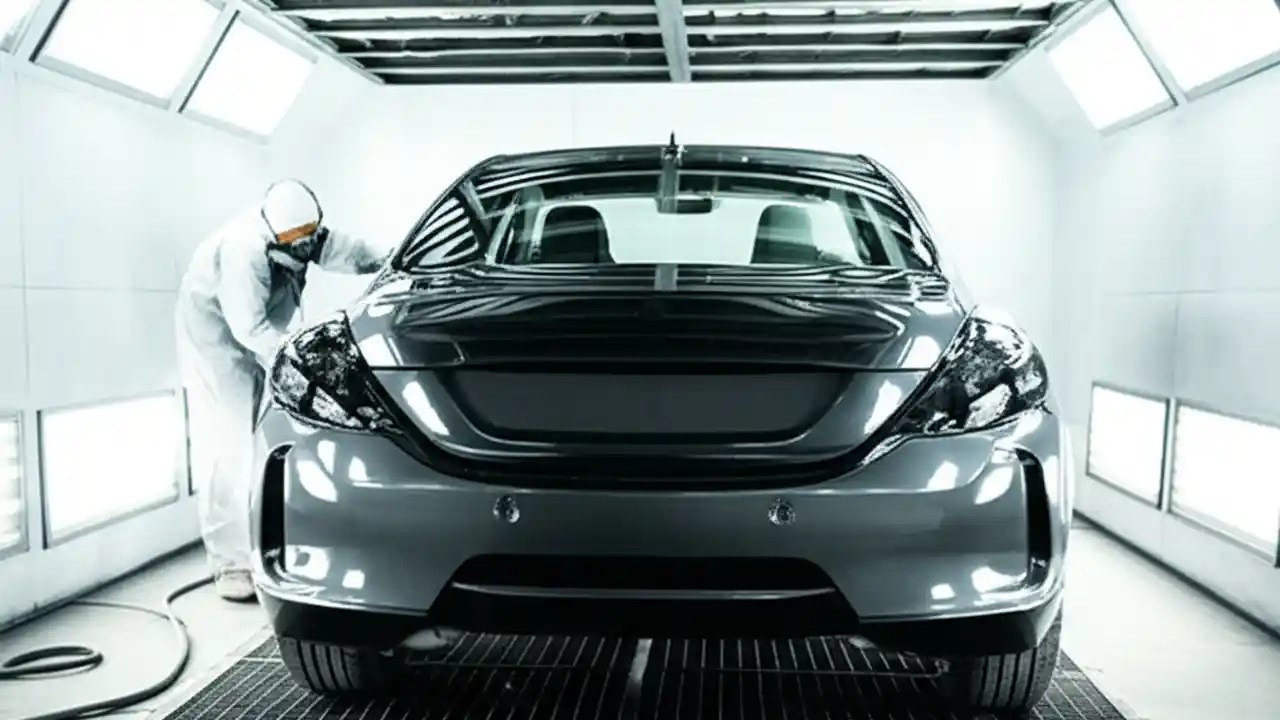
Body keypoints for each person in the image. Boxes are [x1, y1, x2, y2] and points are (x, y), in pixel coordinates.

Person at [174, 179, 388, 600]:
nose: (310, 247)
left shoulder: (302, 231)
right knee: (229, 442)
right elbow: (250, 329)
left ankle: (263, 540)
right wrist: (301, 360)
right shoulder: (242, 252)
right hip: (215, 339)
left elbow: (352, 253)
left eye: (313, 237)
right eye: (300, 244)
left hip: (262, 331)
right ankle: (231, 564)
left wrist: (391, 259)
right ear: (275, 238)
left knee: (268, 436)